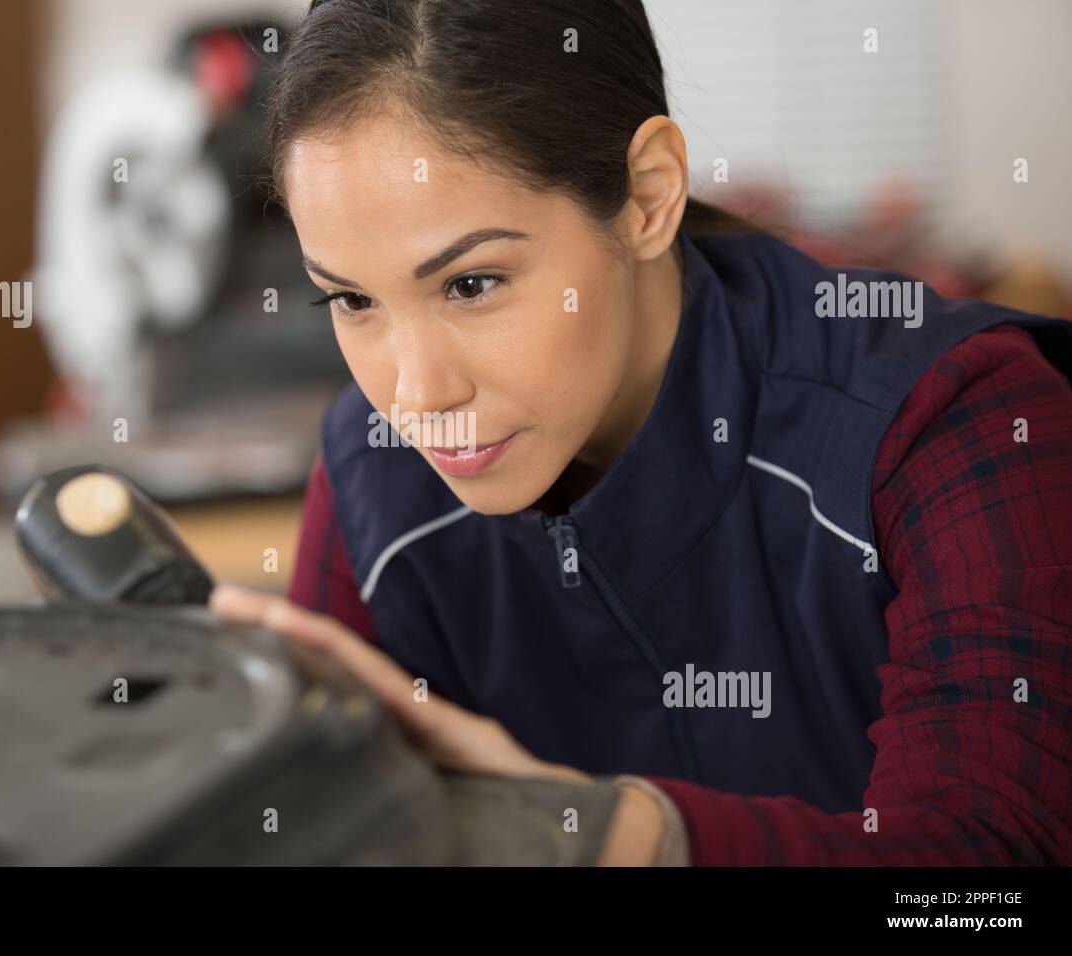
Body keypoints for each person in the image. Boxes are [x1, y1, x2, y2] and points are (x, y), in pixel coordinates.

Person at [208, 0, 1072, 865]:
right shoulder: (374, 471)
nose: (415, 393)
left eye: (472, 284)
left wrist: (607, 836)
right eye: (352, 300)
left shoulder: (961, 420)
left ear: (649, 196)